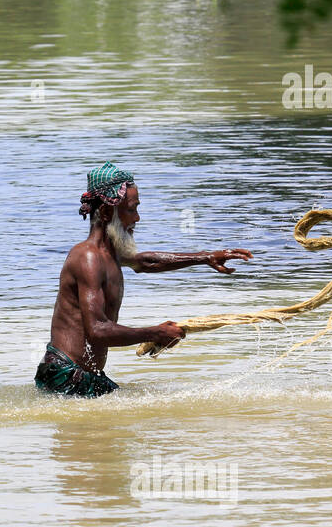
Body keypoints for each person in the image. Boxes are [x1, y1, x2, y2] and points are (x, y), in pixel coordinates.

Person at [36, 162, 253, 397]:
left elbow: (146, 262)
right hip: (66, 375)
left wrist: (205, 258)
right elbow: (97, 330)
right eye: (132, 209)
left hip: (88, 375)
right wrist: (155, 333)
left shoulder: (109, 254)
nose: (137, 218)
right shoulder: (88, 258)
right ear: (108, 212)